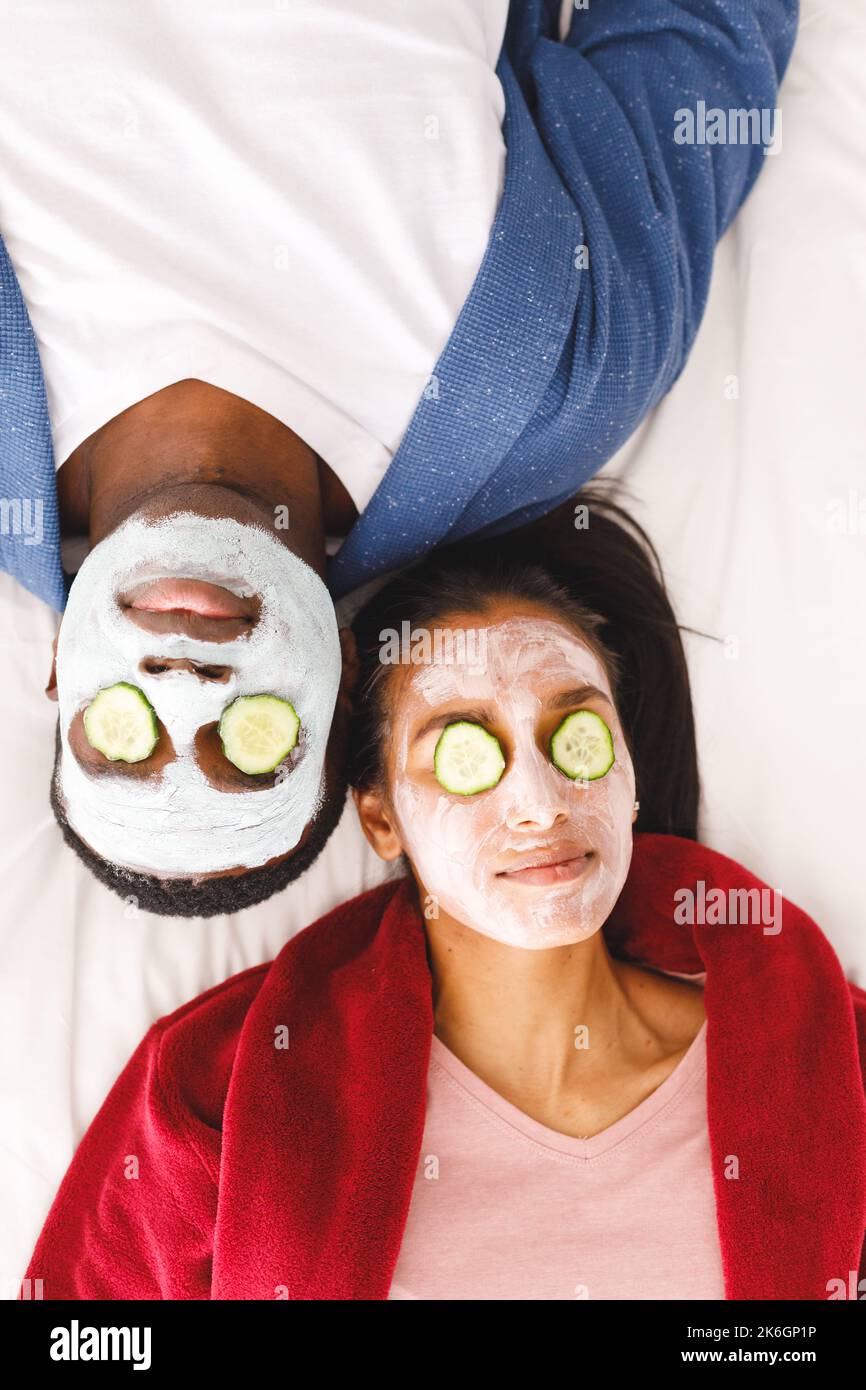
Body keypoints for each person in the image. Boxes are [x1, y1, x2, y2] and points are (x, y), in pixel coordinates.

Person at [0, 1, 799, 915]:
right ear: (341, 677)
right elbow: (700, 33)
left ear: (61, 671)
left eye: (126, 738)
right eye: (252, 744)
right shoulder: (555, 393)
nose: (185, 692)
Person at [20, 487, 866, 1300]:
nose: (540, 803)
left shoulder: (843, 1066)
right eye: (467, 752)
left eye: (575, 735)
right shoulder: (216, 1092)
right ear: (381, 819)